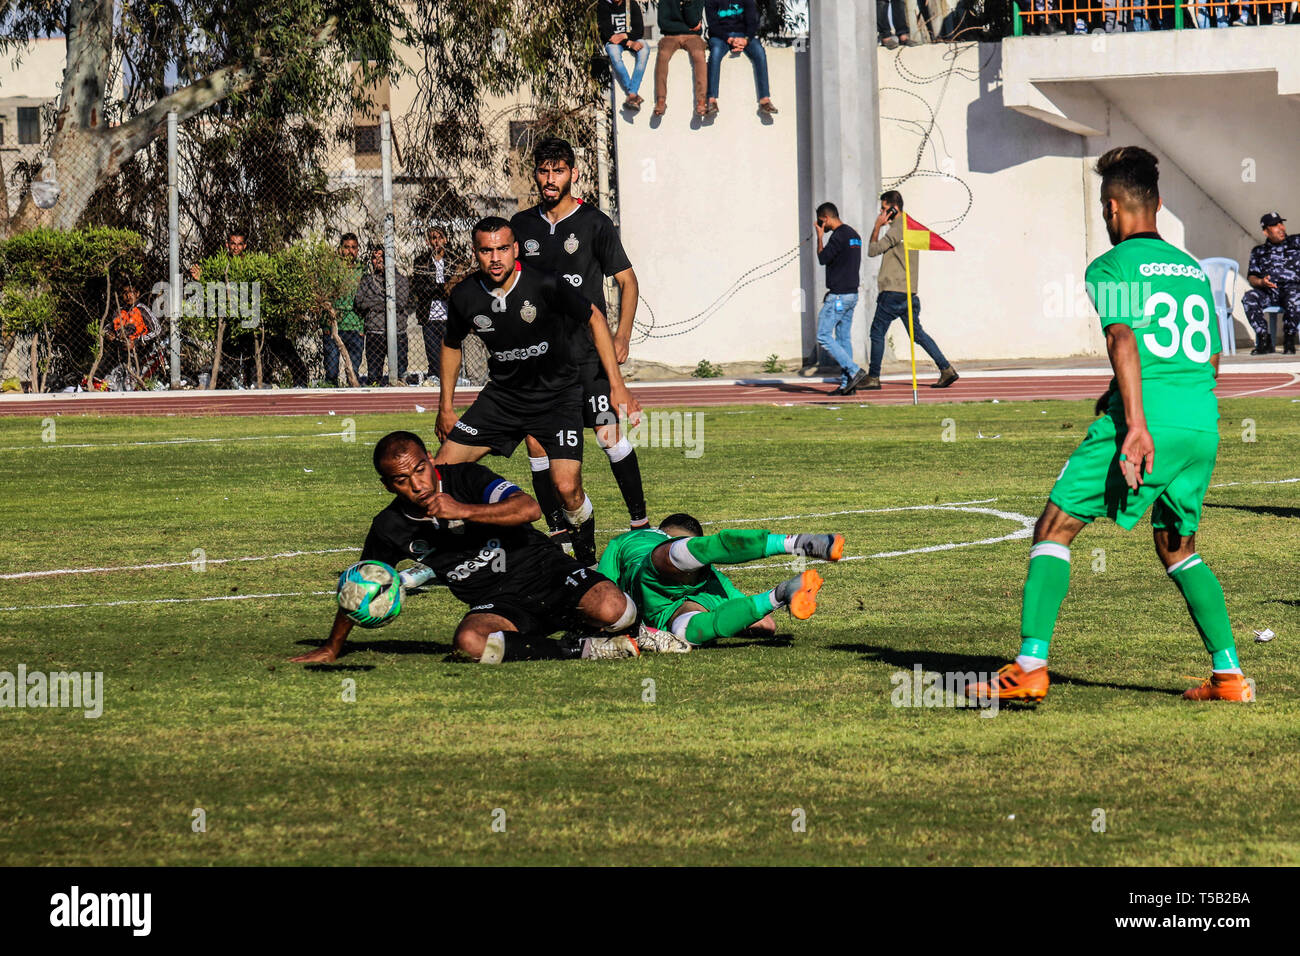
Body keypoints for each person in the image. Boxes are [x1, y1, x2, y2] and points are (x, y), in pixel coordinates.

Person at [970, 146, 1253, 704]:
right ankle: (1228, 676)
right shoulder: (1193, 270)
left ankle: (1029, 667)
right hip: (1202, 423)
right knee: (1177, 546)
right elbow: (1210, 359)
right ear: (1159, 205)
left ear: (1112, 207)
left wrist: (1138, 424)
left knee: (1054, 525)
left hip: (1150, 421)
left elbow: (1122, 338)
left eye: (1106, 210)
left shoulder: (1111, 266)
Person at [289, 431, 640, 664]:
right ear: (387, 485)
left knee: (616, 610)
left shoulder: (467, 477)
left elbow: (530, 508)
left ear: (430, 459)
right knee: (470, 642)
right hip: (497, 602)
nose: (417, 484)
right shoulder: (389, 526)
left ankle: (622, 625)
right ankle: (582, 648)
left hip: (544, 570)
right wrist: (333, 646)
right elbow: (361, 585)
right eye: (401, 480)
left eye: (420, 470)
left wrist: (465, 510)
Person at [435, 217, 641, 568]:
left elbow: (593, 316)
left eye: (502, 248)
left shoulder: (544, 283)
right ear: (476, 253)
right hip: (502, 399)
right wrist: (445, 406)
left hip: (556, 399)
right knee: (438, 472)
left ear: (515, 249)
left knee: (566, 489)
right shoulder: (466, 296)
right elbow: (451, 344)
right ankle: (442, 554)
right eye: (486, 251)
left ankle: (586, 558)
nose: (495, 258)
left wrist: (617, 385)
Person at [510, 138, 648, 542]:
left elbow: (627, 281)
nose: (550, 179)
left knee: (608, 434)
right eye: (544, 171)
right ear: (535, 174)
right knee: (537, 444)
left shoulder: (594, 224)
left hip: (587, 355)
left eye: (559, 171)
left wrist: (621, 335)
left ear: (573, 174)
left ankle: (639, 521)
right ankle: (558, 532)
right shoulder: (521, 226)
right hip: (538, 361)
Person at [597, 513, 843, 652]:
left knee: (684, 630)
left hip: (652, 586)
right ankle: (786, 572)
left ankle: (781, 585)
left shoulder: (632, 539)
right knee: (687, 628)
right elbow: (766, 625)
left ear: (665, 531)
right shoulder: (714, 578)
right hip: (680, 597)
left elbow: (602, 586)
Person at [863, 190, 958, 390]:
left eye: (883, 208)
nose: (881, 212)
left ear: (892, 208)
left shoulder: (898, 228)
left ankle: (873, 377)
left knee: (877, 333)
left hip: (893, 292)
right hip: (908, 292)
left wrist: (877, 226)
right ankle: (946, 368)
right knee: (917, 334)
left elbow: (873, 251)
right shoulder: (909, 226)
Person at [814, 202, 869, 396]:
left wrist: (820, 238)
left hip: (838, 296)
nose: (822, 226)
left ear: (826, 218)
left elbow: (822, 259)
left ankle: (854, 372)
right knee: (843, 338)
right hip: (852, 294)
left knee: (823, 335)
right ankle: (848, 384)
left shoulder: (837, 237)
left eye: (822, 222)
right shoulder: (854, 235)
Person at [1241, 212, 1300, 355]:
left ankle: (1289, 340)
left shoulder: (1296, 242)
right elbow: (1252, 277)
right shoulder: (1258, 251)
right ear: (1265, 231)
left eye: (1281, 223)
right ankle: (1264, 340)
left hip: (1292, 289)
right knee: (1249, 297)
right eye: (1274, 225)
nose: (1281, 228)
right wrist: (1261, 281)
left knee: (1294, 297)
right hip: (1269, 292)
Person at [703, 1, 777, 115]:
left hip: (743, 35)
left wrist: (745, 40)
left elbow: (752, 22)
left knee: (759, 52)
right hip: (720, 37)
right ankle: (711, 100)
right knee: (715, 53)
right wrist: (729, 39)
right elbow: (713, 25)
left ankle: (765, 100)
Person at [354, 244, 411, 385]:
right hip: (375, 332)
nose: (378, 261)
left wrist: (373, 304)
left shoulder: (401, 280)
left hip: (397, 332)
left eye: (381, 257)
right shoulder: (367, 280)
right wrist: (388, 302)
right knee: (373, 375)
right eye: (374, 257)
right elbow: (360, 302)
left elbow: (400, 303)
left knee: (400, 375)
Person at [411, 226, 455, 381]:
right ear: (428, 241)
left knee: (451, 354)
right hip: (428, 317)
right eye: (433, 238)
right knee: (433, 357)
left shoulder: (452, 261)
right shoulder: (421, 262)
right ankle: (435, 382)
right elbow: (420, 289)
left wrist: (438, 288)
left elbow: (455, 287)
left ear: (445, 239)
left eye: (440, 237)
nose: (437, 241)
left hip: (450, 317)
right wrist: (443, 287)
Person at [323, 233, 365, 386]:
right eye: (346, 247)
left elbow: (365, 299)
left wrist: (362, 328)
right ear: (340, 249)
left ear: (358, 249)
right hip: (335, 326)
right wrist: (326, 325)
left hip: (355, 327)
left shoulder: (362, 270)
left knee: (353, 372)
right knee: (332, 371)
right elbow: (324, 298)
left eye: (353, 247)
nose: (350, 251)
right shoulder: (332, 270)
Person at [654, 0, 708, 117]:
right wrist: (687, 28)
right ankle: (661, 99)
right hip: (671, 36)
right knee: (663, 55)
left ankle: (701, 100)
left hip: (692, 37)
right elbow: (663, 24)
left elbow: (695, 23)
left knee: (699, 54)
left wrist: (688, 4)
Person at [107, 281, 162, 389]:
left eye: (131, 292)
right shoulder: (119, 311)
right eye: (125, 293)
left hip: (143, 354)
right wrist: (110, 334)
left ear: (137, 294)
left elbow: (157, 330)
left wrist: (137, 341)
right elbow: (108, 328)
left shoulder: (142, 309)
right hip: (122, 355)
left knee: (138, 384)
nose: (128, 296)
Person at [599, 0, 648, 111]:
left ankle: (632, 93)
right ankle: (633, 93)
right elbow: (609, 35)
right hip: (615, 44)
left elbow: (639, 31)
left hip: (631, 40)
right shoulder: (604, 5)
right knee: (614, 55)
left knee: (644, 50)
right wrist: (628, 42)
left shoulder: (631, 4)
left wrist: (624, 35)